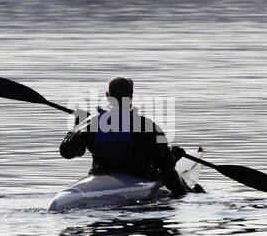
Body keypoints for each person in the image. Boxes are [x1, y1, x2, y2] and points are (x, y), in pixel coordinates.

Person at [60, 76, 190, 197]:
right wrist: (175, 155)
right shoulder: (149, 126)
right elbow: (165, 165)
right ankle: (188, 194)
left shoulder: (89, 123)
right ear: (131, 97)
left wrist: (77, 126)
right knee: (172, 176)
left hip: (100, 174)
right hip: (138, 175)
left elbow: (66, 152)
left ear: (107, 96)